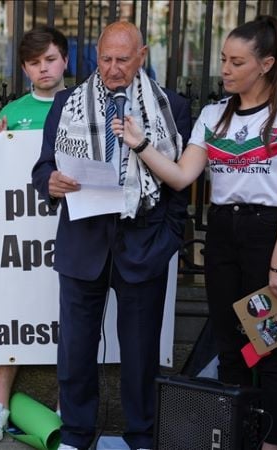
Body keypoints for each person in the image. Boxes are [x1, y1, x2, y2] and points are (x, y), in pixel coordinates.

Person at [112, 16, 277, 450]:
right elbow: (182, 176)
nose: (224, 69)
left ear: (266, 64)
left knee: (273, 349)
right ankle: (235, 437)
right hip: (223, 231)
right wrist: (140, 144)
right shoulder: (212, 114)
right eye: (223, 59)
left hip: (270, 234)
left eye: (237, 61)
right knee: (231, 346)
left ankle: (274, 442)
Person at [32, 21, 191, 450]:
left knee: (141, 356)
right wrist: (50, 182)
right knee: (76, 350)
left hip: (144, 244)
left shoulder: (171, 106)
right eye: (106, 59)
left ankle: (141, 437)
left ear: (141, 57)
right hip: (83, 240)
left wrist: (168, 240)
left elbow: (182, 187)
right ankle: (76, 435)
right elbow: (43, 166)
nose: (113, 68)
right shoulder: (67, 102)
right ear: (96, 57)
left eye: (123, 59)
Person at [0, 26, 68, 443]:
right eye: (34, 63)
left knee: (71, 322)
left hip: (69, 235)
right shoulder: (13, 111)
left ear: (65, 60)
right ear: (24, 68)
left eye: (50, 59)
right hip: (18, 239)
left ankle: (68, 405)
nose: (43, 69)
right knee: (9, 317)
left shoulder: (83, 105)